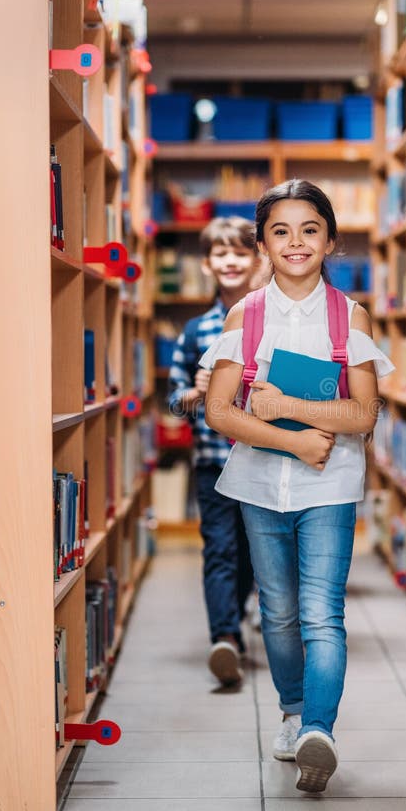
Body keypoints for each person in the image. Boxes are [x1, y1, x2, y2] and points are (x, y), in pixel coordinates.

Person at [200, 180, 394, 792]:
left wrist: (287, 406)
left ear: (330, 240)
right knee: (279, 613)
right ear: (262, 244)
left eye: (310, 229)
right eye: (280, 231)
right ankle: (291, 710)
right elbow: (219, 412)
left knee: (321, 613)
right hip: (260, 485)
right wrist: (291, 438)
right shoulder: (245, 315)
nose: (296, 242)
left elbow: (364, 415)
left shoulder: (349, 316)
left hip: (330, 487)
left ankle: (319, 728)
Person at [168, 216, 266, 687]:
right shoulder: (195, 331)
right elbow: (172, 399)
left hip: (263, 457)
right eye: (220, 254)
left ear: (255, 260)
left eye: (239, 253)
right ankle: (223, 637)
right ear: (207, 264)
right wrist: (193, 393)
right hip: (212, 461)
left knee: (251, 553)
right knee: (221, 551)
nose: (230, 261)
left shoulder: (267, 322)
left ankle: (236, 617)